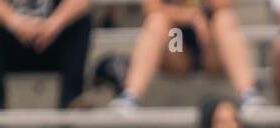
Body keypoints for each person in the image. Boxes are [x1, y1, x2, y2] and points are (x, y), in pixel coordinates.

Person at [109, 0, 262, 110]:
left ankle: (248, 94)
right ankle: (130, 96)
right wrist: (190, 15)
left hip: (210, 47)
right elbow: (152, 8)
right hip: (177, 46)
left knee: (225, 18)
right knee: (156, 21)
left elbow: (223, 5)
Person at [0, 0, 92, 109]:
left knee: (80, 16)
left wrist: (53, 26)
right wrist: (15, 23)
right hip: (9, 46)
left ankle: (73, 99)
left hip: (54, 45)